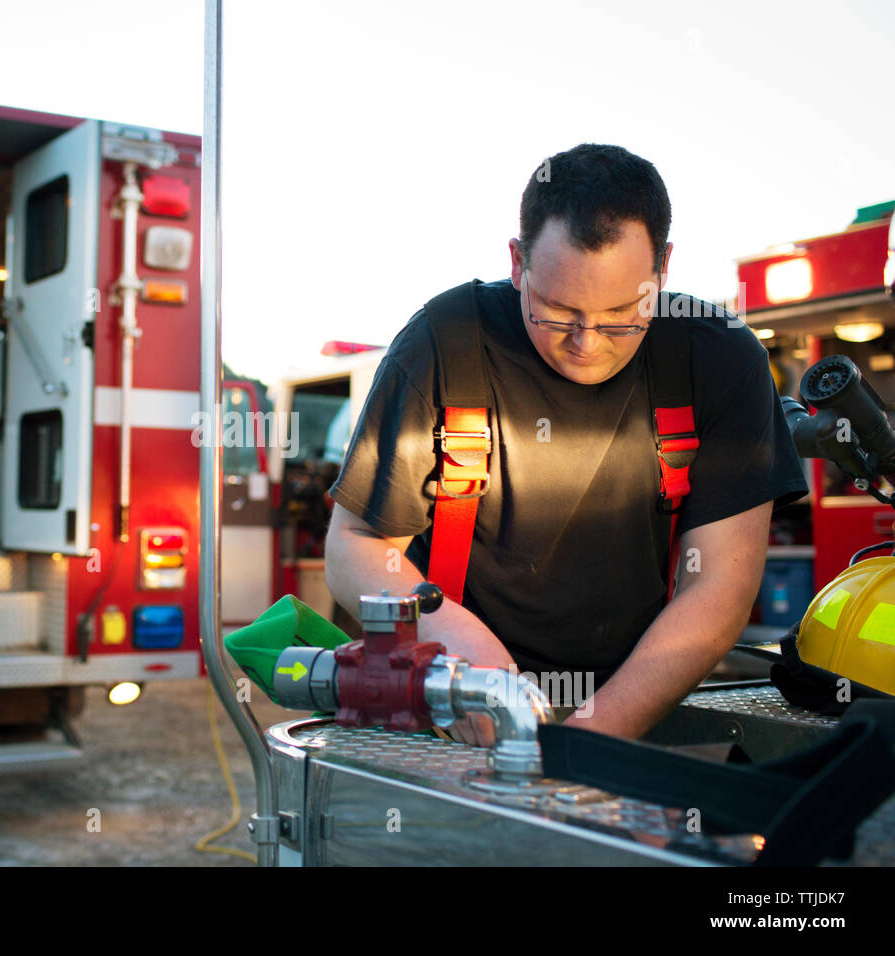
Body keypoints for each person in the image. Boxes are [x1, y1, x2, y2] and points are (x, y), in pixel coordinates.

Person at [324, 143, 808, 745]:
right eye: (556, 311)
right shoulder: (446, 343)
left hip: (634, 704)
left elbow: (718, 587)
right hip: (453, 706)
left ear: (663, 269)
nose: (587, 343)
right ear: (518, 263)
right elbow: (357, 545)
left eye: (621, 314)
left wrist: (589, 742)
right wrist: (460, 643)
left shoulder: (718, 357)